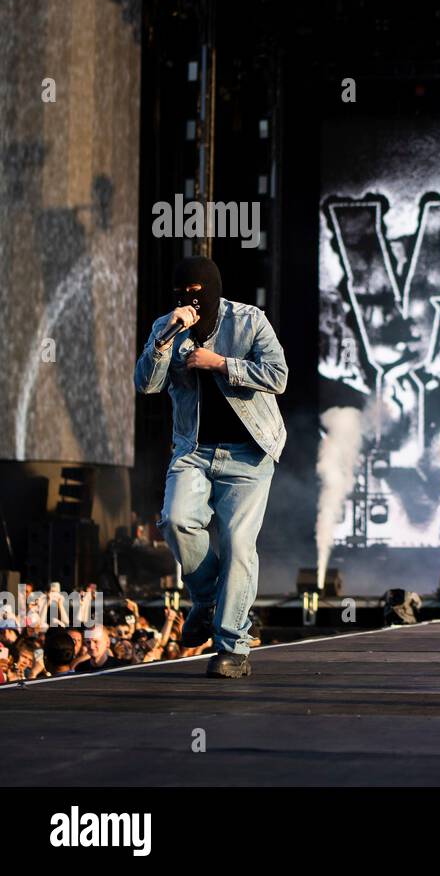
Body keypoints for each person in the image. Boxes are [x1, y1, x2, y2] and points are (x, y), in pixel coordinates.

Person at [135, 255, 288, 679]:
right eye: (181, 295)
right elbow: (146, 384)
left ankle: (232, 646)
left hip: (250, 454)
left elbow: (278, 376)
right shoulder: (167, 326)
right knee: (176, 520)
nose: (189, 302)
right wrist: (165, 339)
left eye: (197, 295)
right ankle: (205, 601)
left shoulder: (250, 320)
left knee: (239, 545)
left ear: (213, 293)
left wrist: (219, 363)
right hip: (194, 450)